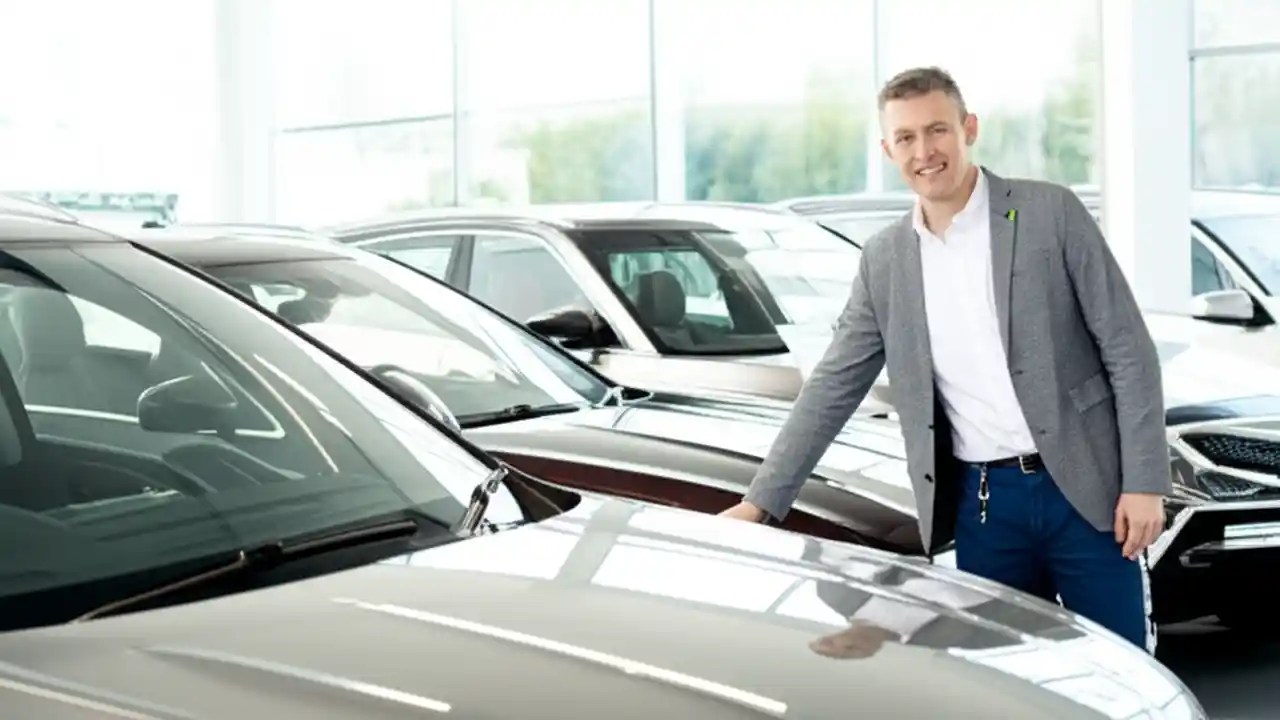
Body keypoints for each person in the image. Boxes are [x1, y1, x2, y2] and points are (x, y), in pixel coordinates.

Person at [719, 66, 1170, 653]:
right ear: (888, 150)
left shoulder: (1049, 214)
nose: (924, 151)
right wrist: (759, 503)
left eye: (937, 131)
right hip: (985, 509)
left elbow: (1129, 351)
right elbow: (832, 386)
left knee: (1124, 672)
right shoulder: (884, 260)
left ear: (969, 129)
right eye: (905, 138)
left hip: (1089, 494)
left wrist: (1145, 482)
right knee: (1002, 682)